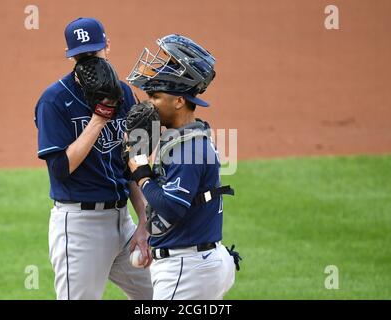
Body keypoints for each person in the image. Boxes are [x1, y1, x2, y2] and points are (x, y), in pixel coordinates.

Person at [34, 17, 153, 300]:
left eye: (94, 51)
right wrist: (99, 118)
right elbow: (61, 169)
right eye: (82, 55)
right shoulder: (54, 100)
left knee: (161, 295)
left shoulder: (124, 93)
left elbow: (133, 165)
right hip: (80, 228)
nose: (89, 60)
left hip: (123, 222)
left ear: (107, 46)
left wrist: (144, 223)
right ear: (72, 56)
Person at [125, 34, 241, 300]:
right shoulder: (189, 138)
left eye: (155, 96)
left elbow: (172, 207)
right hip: (197, 260)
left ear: (178, 100)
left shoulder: (189, 149)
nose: (148, 103)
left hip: (186, 269)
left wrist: (140, 172)